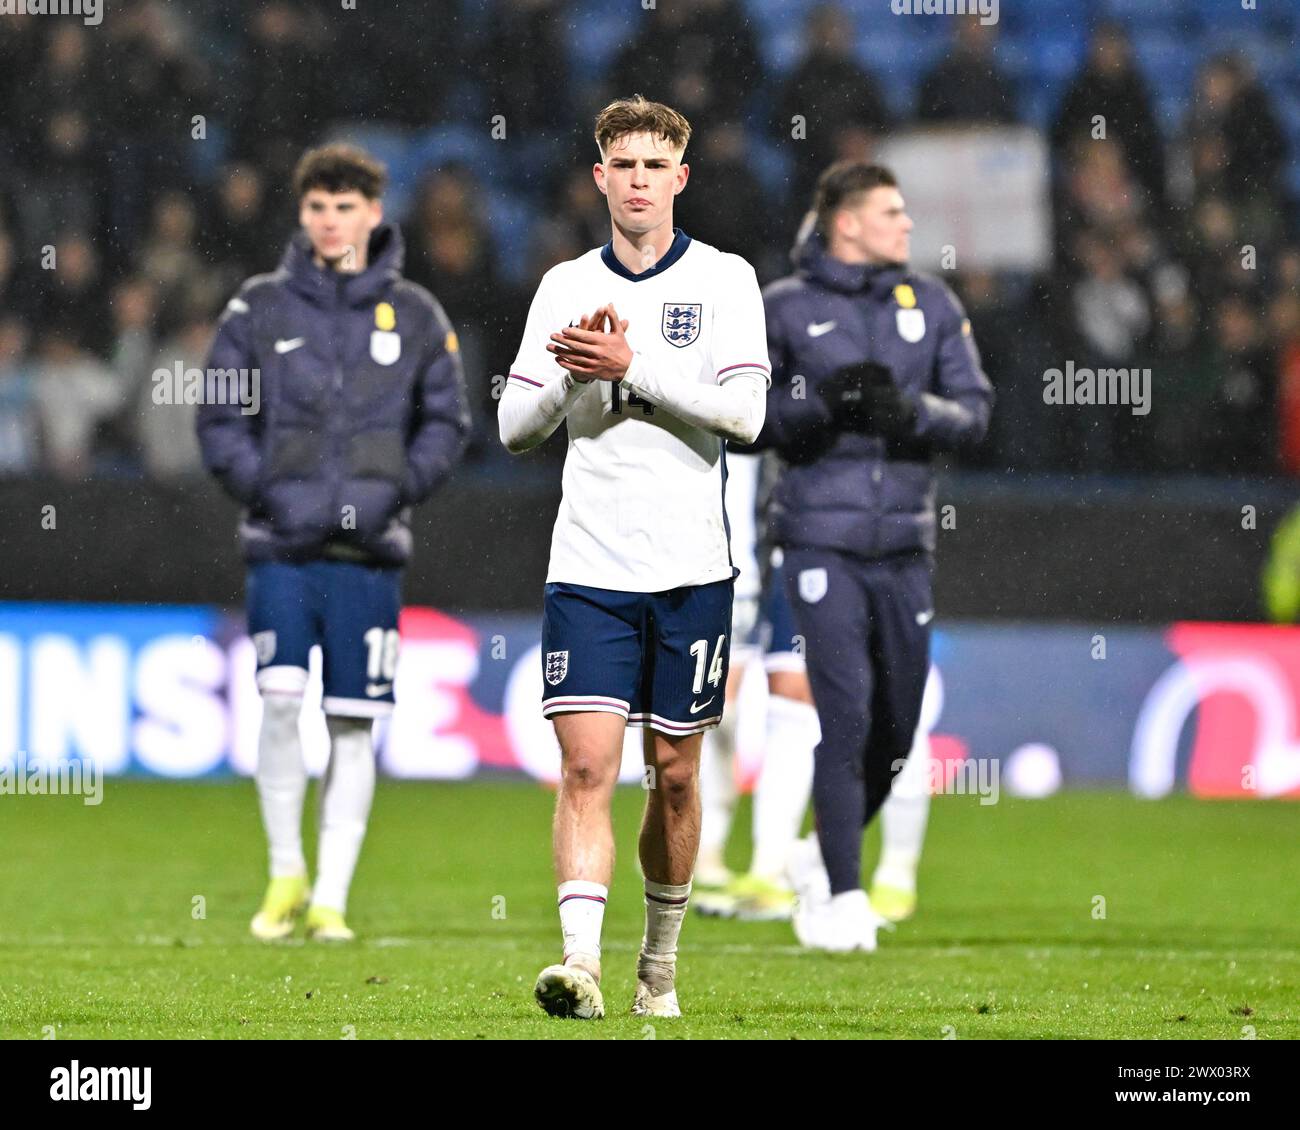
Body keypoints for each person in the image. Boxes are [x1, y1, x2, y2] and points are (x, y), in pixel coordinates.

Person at [498, 96, 769, 1019]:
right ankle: (582, 966)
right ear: (600, 178)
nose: (641, 180)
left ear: (680, 179)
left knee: (678, 772)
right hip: (589, 567)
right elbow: (512, 427)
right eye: (626, 165)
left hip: (692, 568)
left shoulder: (728, 280)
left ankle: (660, 962)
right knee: (586, 771)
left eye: (658, 166)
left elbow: (748, 416)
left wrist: (631, 367)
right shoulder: (564, 287)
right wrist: (574, 374)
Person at [197, 144, 470, 943]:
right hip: (282, 546)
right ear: (303, 213)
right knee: (280, 701)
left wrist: (392, 491)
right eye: (317, 206)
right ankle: (286, 873)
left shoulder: (417, 315)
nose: (330, 220)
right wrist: (271, 492)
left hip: (369, 554)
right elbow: (218, 416)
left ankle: (331, 900)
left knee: (352, 722)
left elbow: (448, 424)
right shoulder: (257, 308)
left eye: (345, 206)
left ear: (374, 214)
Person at [741, 161, 992, 951]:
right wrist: (821, 407)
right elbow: (746, 416)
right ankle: (844, 900)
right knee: (845, 713)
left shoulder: (933, 302)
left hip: (904, 541)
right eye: (893, 211)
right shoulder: (782, 306)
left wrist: (907, 411)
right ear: (846, 222)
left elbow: (977, 413)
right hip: (820, 539)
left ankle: (819, 854)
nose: (907, 224)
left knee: (898, 725)